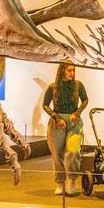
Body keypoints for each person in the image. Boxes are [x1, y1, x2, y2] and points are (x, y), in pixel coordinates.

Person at [43, 60, 88, 196]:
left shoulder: (78, 85)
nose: (72, 73)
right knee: (57, 154)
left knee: (73, 151)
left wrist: (77, 112)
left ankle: (71, 180)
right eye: (69, 70)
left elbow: (85, 99)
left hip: (74, 122)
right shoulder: (53, 87)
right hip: (57, 122)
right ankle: (59, 182)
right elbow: (45, 104)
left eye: (73, 70)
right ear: (62, 70)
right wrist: (56, 117)